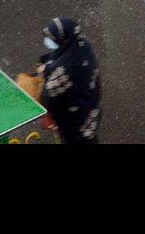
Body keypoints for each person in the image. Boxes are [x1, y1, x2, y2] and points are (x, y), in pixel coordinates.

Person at [38, 17, 101, 145]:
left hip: (74, 118)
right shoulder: (80, 44)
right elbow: (59, 55)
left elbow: (51, 95)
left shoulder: (66, 69)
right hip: (89, 107)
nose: (48, 42)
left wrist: (48, 116)